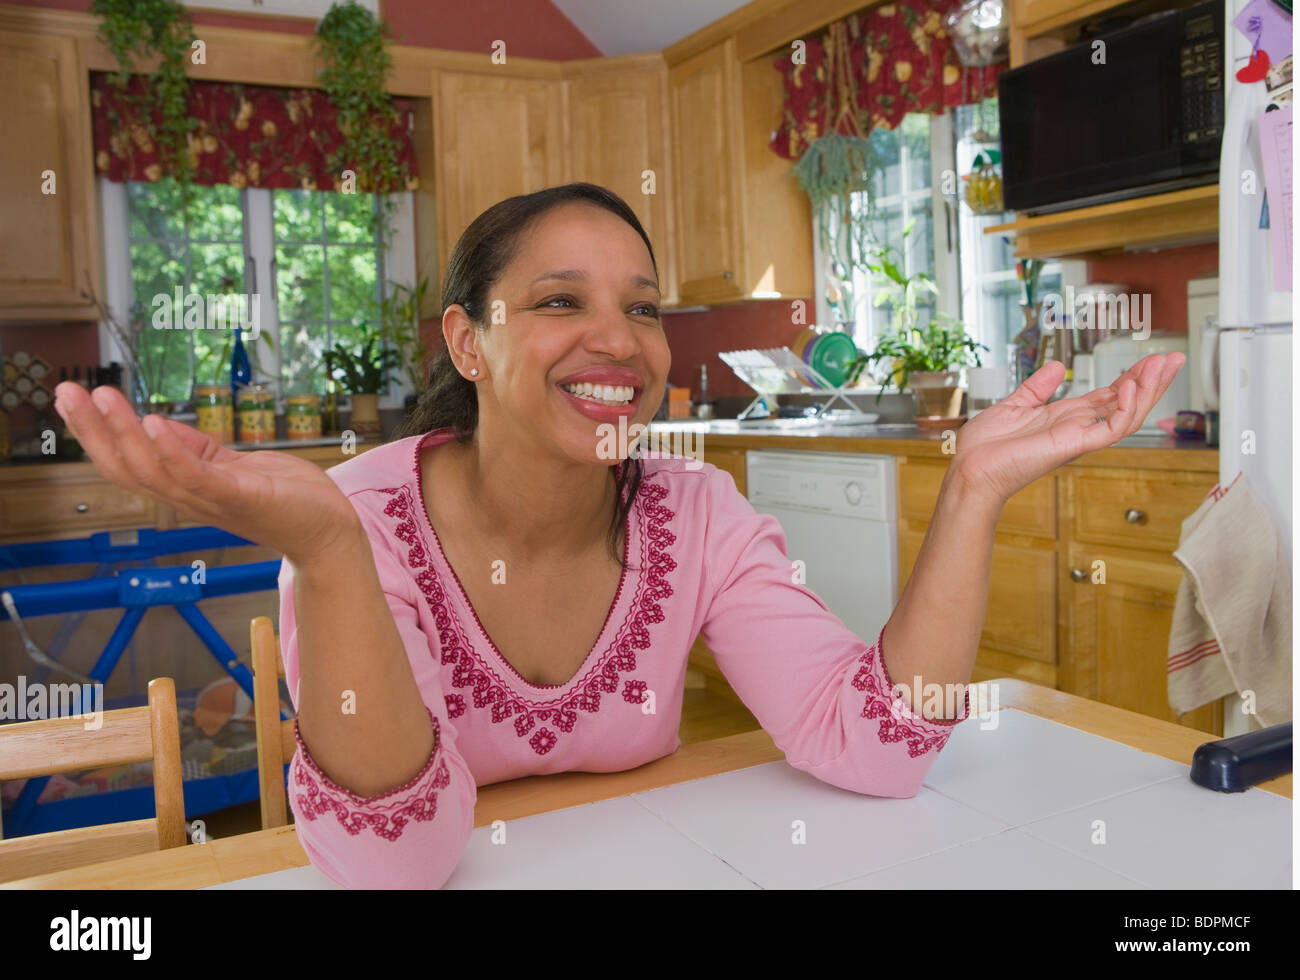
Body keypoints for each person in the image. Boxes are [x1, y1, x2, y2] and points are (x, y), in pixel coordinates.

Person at [54, 183, 1184, 888]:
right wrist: (331, 553)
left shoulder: (696, 511)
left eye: (642, 307)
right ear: (468, 340)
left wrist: (975, 488)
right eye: (560, 301)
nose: (619, 340)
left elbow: (879, 749)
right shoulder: (354, 518)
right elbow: (391, 864)